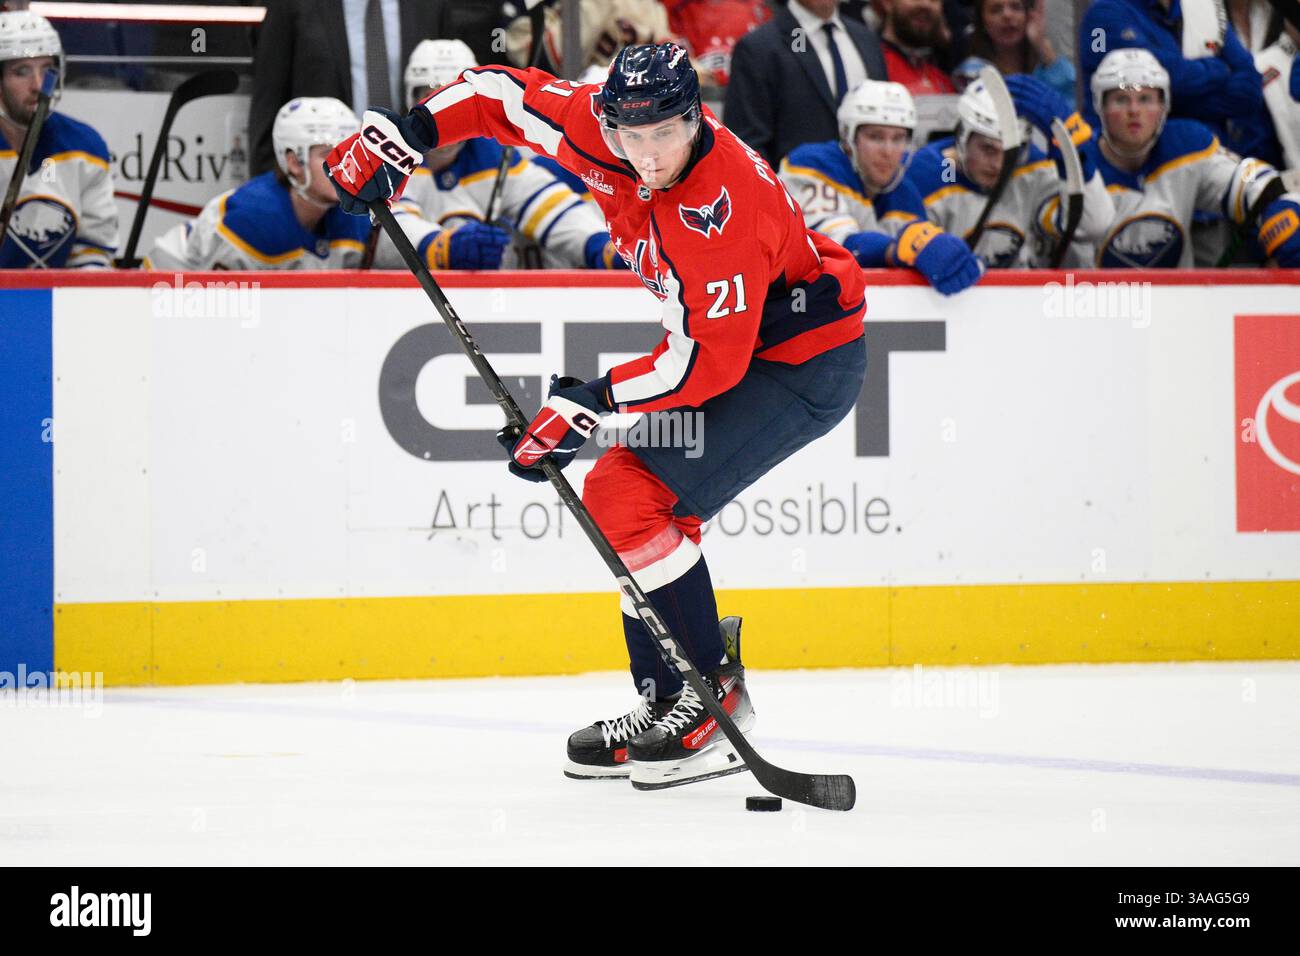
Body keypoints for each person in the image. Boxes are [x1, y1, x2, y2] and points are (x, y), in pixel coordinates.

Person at [324, 42, 869, 789]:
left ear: (695, 117)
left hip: (803, 361)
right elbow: (498, 93)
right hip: (745, 349)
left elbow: (711, 364)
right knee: (634, 505)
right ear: (609, 121)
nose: (646, 157)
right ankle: (667, 700)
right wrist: (407, 133)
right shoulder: (601, 129)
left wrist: (592, 401)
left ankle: (714, 697)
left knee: (626, 493)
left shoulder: (721, 208)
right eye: (630, 137)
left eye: (665, 135)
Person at [374, 39, 623, 271]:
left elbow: (553, 208)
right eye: (430, 97)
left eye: (451, 97)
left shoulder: (496, 159)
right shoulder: (392, 157)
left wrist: (602, 248)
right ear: (411, 100)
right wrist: (442, 248)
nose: (442, 111)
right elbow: (387, 232)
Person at [1085, 48, 1300, 267]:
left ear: (1163, 106)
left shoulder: (1185, 145)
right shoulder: (1077, 163)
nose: (1134, 110)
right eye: (1121, 99)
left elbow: (1248, 182)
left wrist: (1280, 204)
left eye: (1145, 99)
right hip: (1094, 298)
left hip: (1177, 299)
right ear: (1100, 106)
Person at [781, 79, 983, 293]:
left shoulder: (905, 193)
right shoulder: (813, 165)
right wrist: (895, 250)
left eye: (898, 138)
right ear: (849, 138)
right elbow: (833, 248)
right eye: (876, 137)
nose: (888, 151)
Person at [905, 70, 1114, 266]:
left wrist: (1075, 158)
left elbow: (1092, 227)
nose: (998, 164)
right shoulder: (929, 173)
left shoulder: (1031, 169)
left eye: (1011, 152)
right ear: (961, 137)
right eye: (988, 148)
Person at [147, 97, 368, 270]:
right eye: (329, 154)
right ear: (294, 163)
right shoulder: (254, 219)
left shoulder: (355, 216)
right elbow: (221, 315)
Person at [0, 10, 117, 268]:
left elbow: (92, 253)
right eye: (21, 72)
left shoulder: (85, 148)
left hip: (56, 303)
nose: (39, 85)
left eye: (47, 70)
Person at [724, 0, 888, 167]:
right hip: (792, 186)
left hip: (866, 189)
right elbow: (747, 145)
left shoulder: (866, 39)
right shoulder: (759, 48)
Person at [965, 0, 1076, 103]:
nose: (1007, 15)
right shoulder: (972, 73)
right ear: (983, 22)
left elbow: (1071, 103)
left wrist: (1041, 44)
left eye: (1016, 7)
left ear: (1029, 16)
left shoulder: (1046, 70)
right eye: (996, 10)